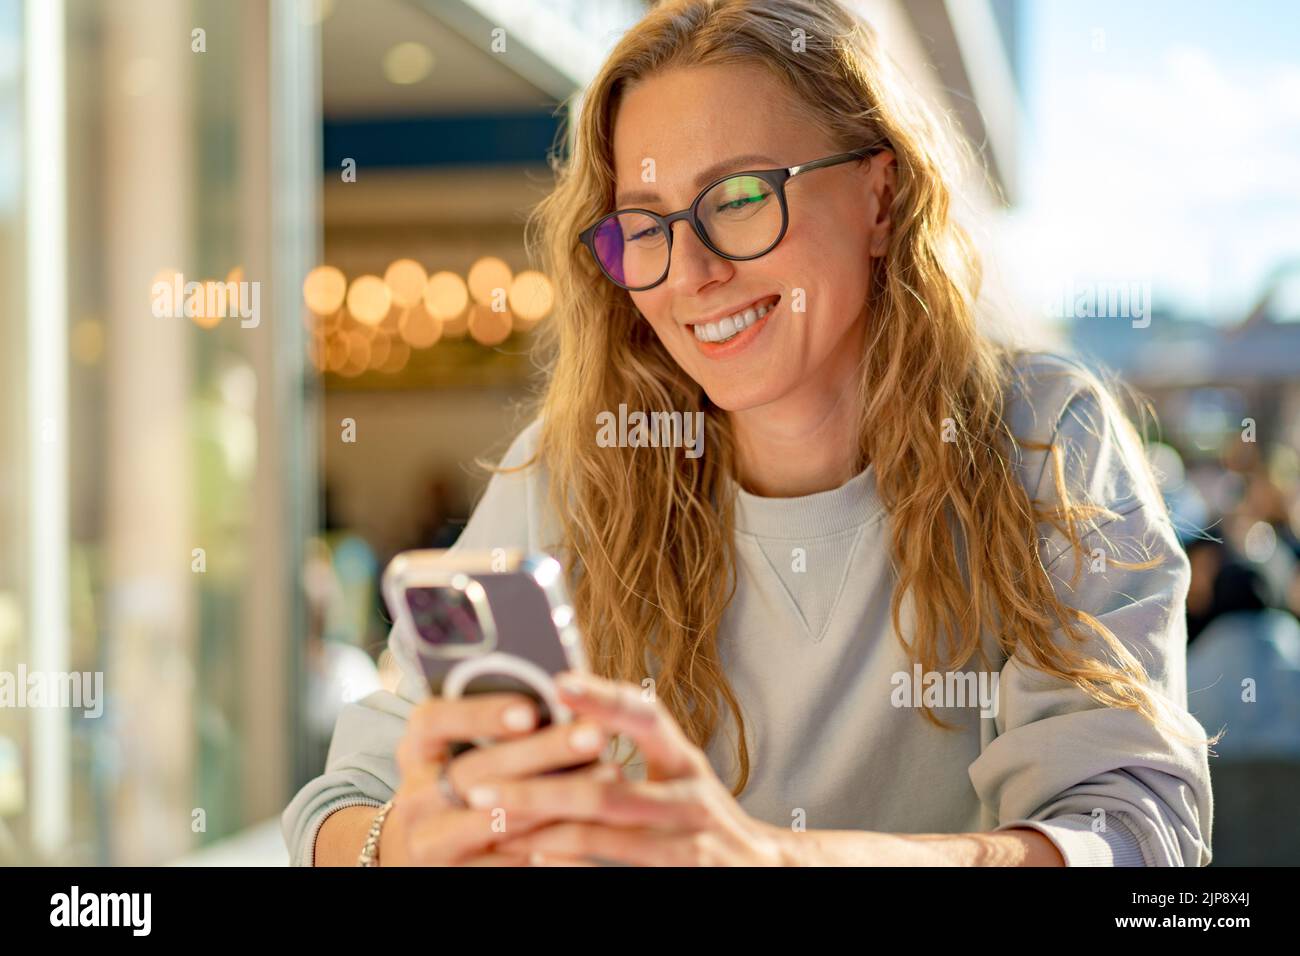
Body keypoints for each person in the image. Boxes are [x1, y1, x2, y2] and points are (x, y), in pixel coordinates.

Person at [283, 0, 1212, 867]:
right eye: (644, 227)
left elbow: (1128, 830)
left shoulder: (1042, 439)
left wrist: (774, 857)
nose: (689, 273)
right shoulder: (575, 473)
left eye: (736, 199)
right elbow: (341, 799)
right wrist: (411, 841)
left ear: (880, 198)